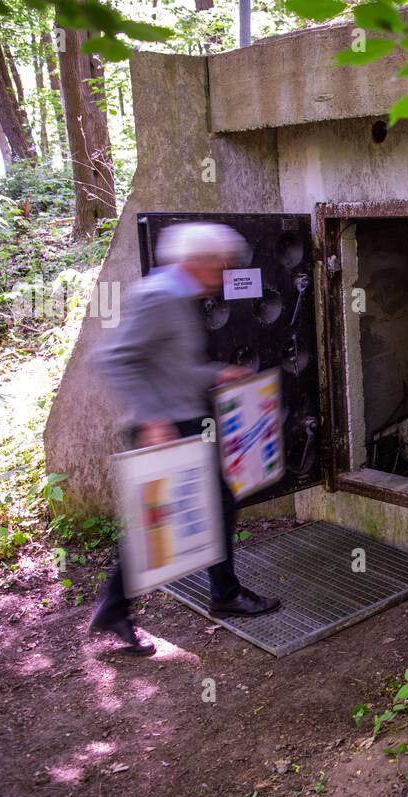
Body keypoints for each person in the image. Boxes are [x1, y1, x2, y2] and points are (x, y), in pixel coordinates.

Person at [89, 222, 282, 655]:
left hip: (183, 422)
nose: (223, 273)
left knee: (203, 508)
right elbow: (114, 359)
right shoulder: (158, 297)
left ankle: (217, 593)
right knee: (160, 522)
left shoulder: (177, 296)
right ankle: (122, 607)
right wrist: (154, 417)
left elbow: (170, 367)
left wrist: (217, 373)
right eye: (220, 265)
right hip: (165, 428)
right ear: (197, 262)